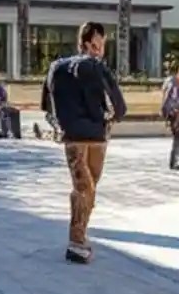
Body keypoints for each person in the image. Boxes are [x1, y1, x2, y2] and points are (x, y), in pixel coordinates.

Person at [46, 21, 128, 264]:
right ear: (84, 45)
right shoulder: (96, 68)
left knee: (83, 187)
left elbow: (47, 105)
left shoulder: (56, 68)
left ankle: (78, 236)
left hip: (73, 136)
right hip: (95, 137)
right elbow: (119, 106)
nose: (99, 51)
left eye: (101, 46)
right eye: (96, 45)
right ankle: (77, 240)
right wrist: (109, 117)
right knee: (88, 188)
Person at [161, 66, 179, 170]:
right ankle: (174, 161)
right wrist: (166, 113)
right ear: (177, 74)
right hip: (173, 113)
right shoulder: (171, 83)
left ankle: (175, 160)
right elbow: (165, 97)